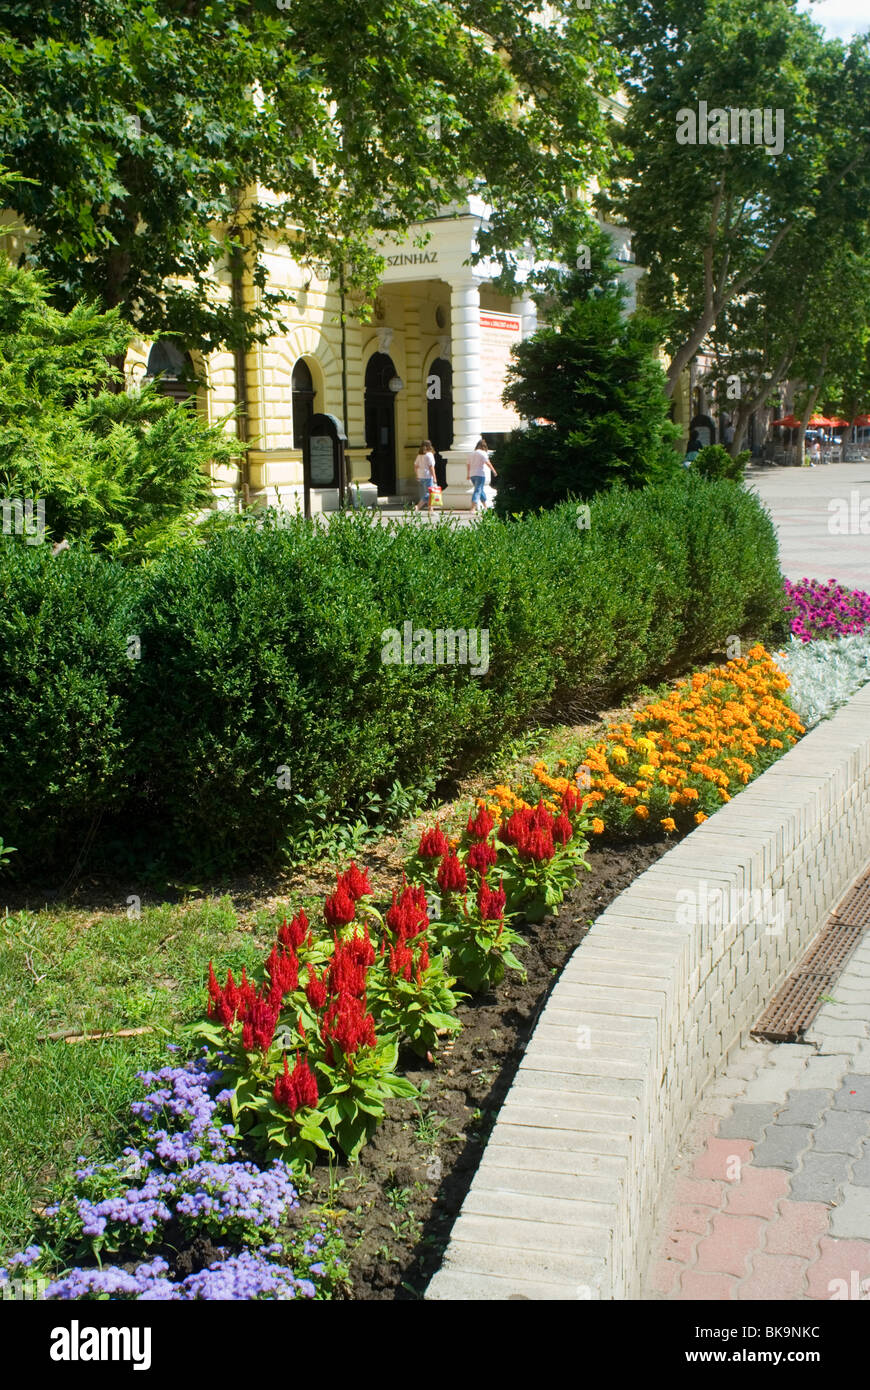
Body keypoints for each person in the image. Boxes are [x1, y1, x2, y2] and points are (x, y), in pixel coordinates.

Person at [467, 438, 492, 514]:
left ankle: (485, 506)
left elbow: (468, 465)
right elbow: (488, 463)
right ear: (484, 447)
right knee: (478, 490)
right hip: (480, 474)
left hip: (472, 475)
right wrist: (494, 471)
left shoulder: (471, 453)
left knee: (480, 490)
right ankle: (473, 508)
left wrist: (468, 474)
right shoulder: (483, 453)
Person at [413, 440, 437, 510]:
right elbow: (431, 467)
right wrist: (434, 478)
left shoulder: (419, 455)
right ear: (430, 446)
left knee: (427, 492)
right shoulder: (429, 455)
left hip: (421, 476)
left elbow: (415, 466)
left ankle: (430, 509)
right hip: (428, 476)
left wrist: (417, 475)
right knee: (429, 493)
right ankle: (418, 506)